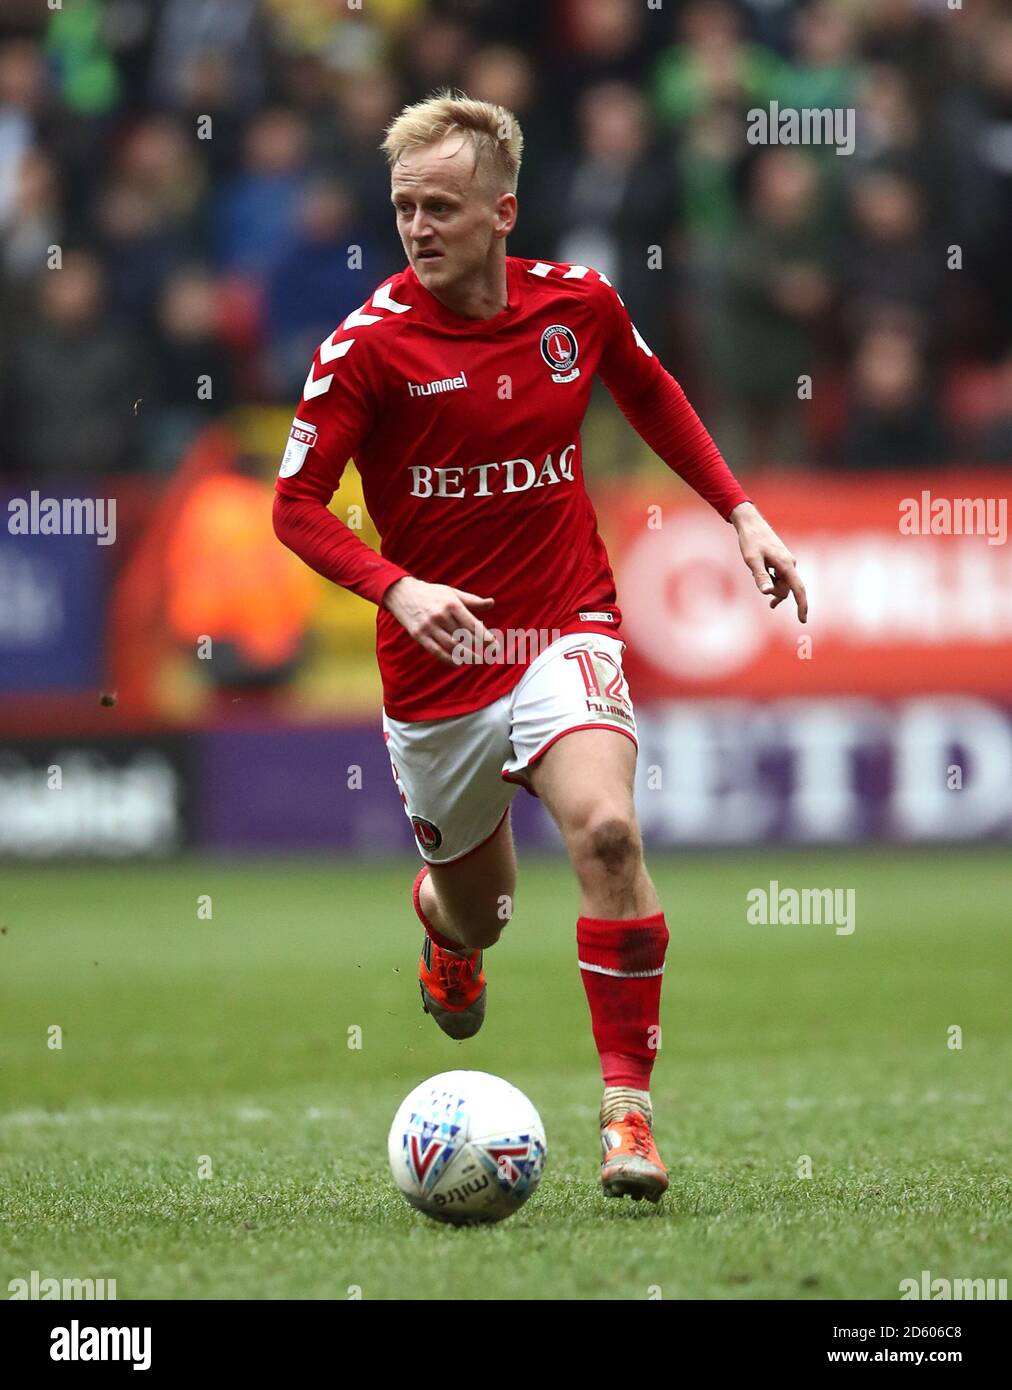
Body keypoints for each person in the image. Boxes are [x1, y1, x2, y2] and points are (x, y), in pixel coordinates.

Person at [273, 91, 807, 1202]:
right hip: (436, 673)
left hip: (565, 623)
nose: (418, 228)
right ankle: (443, 928)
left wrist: (740, 511)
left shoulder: (578, 308)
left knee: (608, 831)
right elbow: (296, 507)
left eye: (441, 207)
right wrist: (396, 584)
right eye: (404, 207)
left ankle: (627, 1115)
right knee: (481, 909)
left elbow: (653, 395)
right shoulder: (367, 349)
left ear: (503, 211)